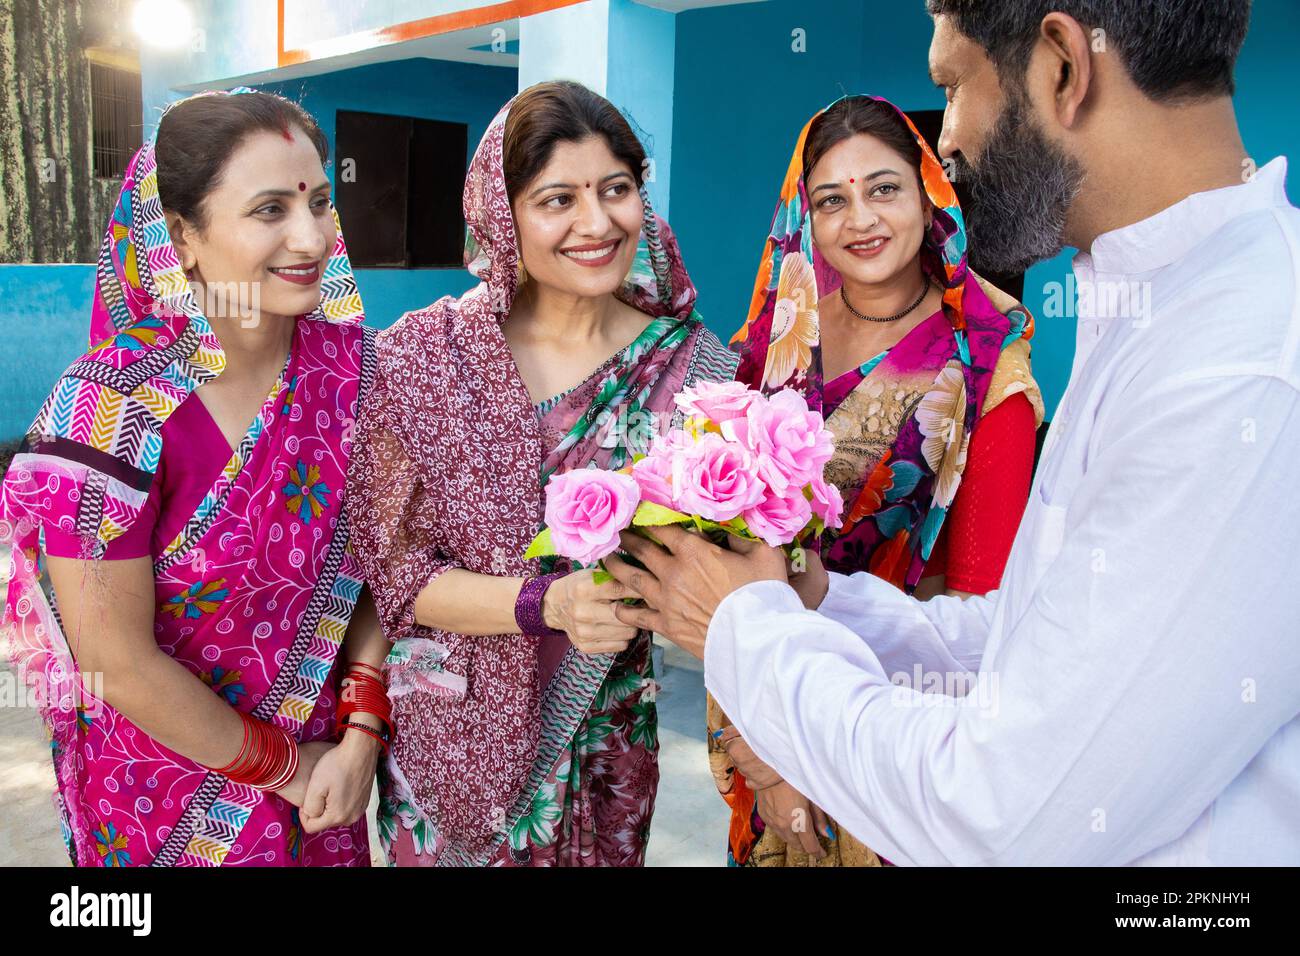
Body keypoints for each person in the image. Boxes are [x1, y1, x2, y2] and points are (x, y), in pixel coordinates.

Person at [606, 0, 1300, 864]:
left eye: (953, 85)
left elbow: (1007, 813)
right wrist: (819, 597)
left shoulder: (1236, 372)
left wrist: (742, 625)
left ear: (1060, 66)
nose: (954, 143)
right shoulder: (1156, 310)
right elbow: (1032, 641)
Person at [346, 81, 737, 867]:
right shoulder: (424, 362)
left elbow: (730, 574)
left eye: (617, 189)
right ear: (504, 214)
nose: (597, 223)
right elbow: (396, 580)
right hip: (449, 744)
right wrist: (550, 602)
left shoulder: (696, 371)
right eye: (558, 198)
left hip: (603, 735)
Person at [0, 90, 390, 867]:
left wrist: (360, 733)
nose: (310, 236)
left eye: (318, 201)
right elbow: (115, 657)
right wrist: (283, 766)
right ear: (181, 236)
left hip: (324, 791)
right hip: (162, 801)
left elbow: (386, 569)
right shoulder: (112, 404)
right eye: (270, 209)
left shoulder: (360, 373)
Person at [713, 93, 1043, 866]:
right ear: (806, 221)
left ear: (930, 200)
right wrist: (756, 745)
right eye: (832, 200)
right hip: (757, 694)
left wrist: (821, 755)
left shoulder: (987, 366)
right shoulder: (775, 344)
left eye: (884, 188)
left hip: (896, 736)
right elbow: (725, 550)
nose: (859, 218)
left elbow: (984, 615)